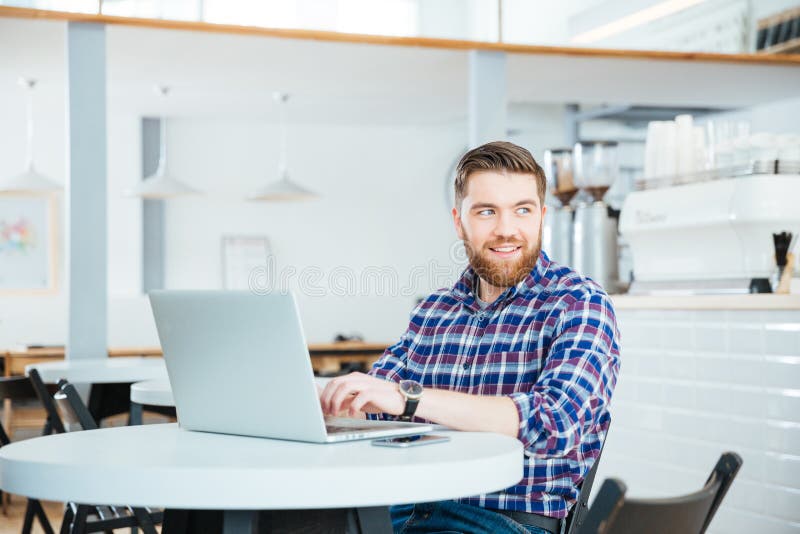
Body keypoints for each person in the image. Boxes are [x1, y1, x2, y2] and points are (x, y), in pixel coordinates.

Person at [319, 141, 620, 534]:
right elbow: (373, 406)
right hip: (409, 513)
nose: (506, 229)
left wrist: (410, 398)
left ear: (541, 217)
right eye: (486, 211)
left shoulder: (579, 303)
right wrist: (327, 402)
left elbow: (553, 423)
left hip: (506, 522)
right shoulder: (434, 311)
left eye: (522, 210)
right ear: (459, 222)